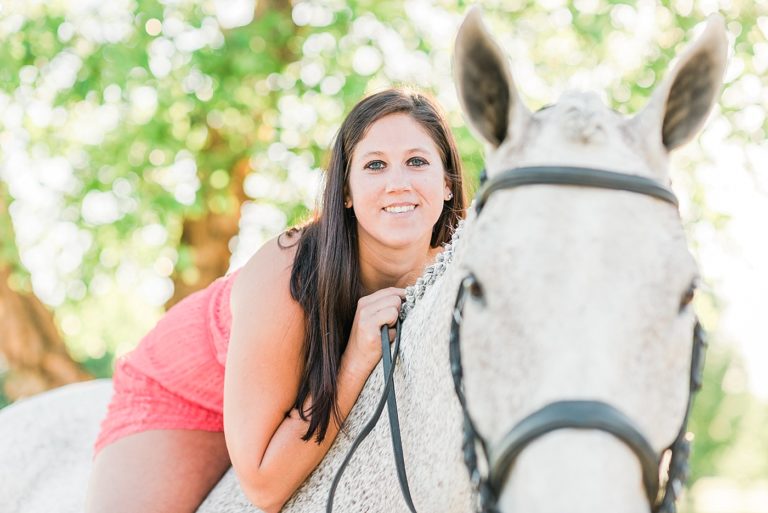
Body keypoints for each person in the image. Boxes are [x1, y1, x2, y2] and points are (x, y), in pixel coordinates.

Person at [85, 88, 467, 513]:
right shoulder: (292, 269)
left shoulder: (452, 274)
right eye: (375, 165)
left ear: (447, 183)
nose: (398, 183)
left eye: (417, 161)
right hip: (189, 399)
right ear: (346, 192)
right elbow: (265, 487)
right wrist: (356, 358)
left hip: (293, 405)